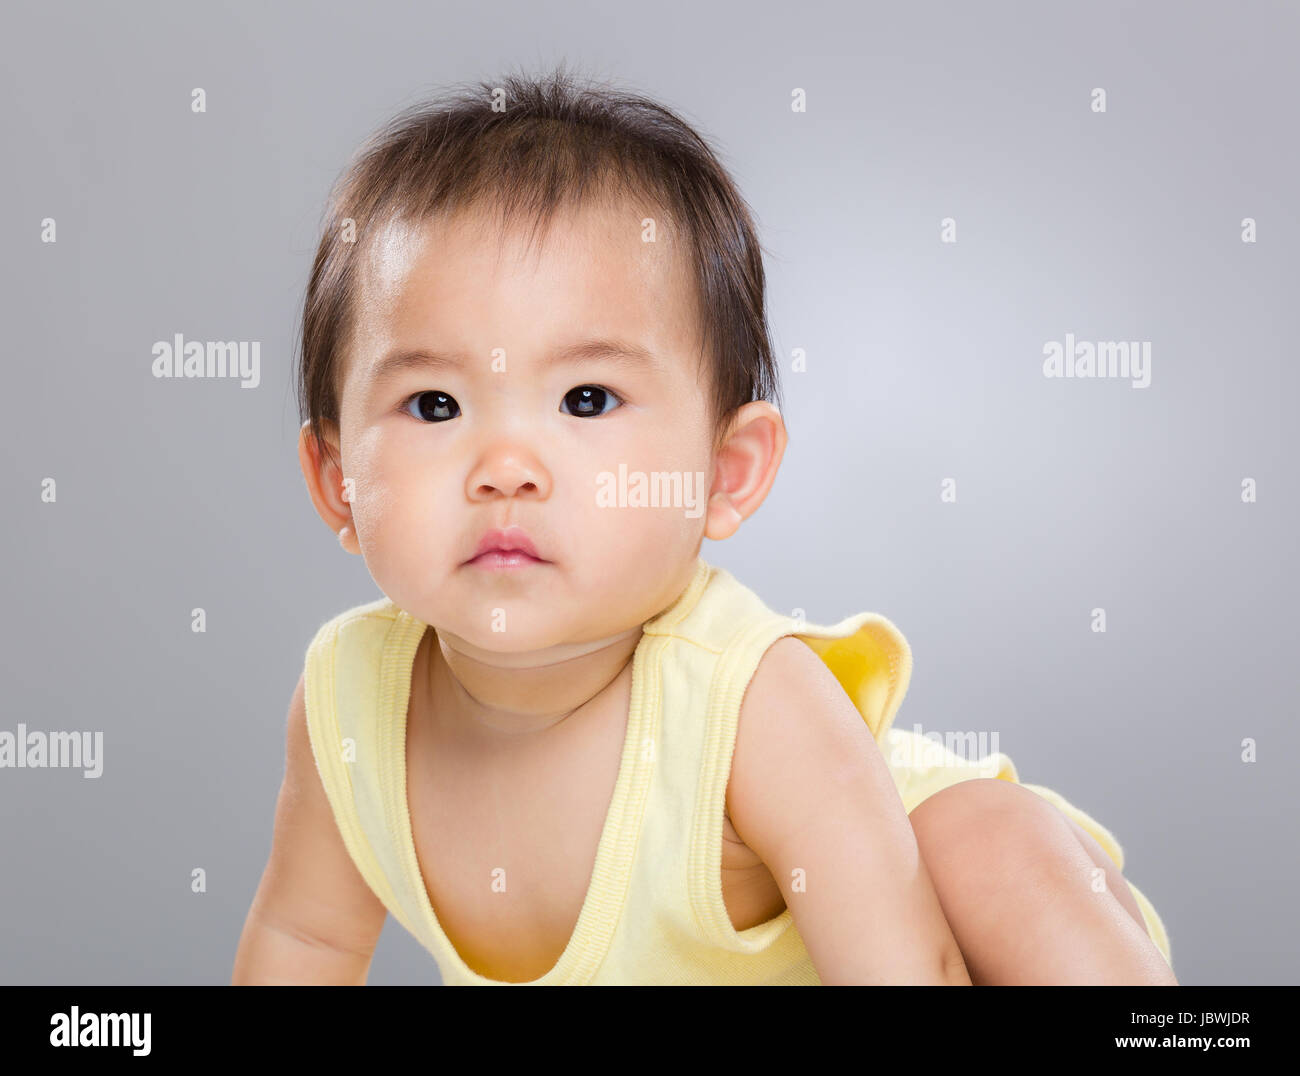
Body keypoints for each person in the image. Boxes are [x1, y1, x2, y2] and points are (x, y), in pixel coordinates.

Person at [232, 65, 1174, 986]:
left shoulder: (749, 700)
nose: (506, 469)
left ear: (726, 474)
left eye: (587, 398)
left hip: (949, 936)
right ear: (336, 481)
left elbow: (907, 965)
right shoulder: (346, 701)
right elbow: (304, 941)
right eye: (435, 405)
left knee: (990, 845)